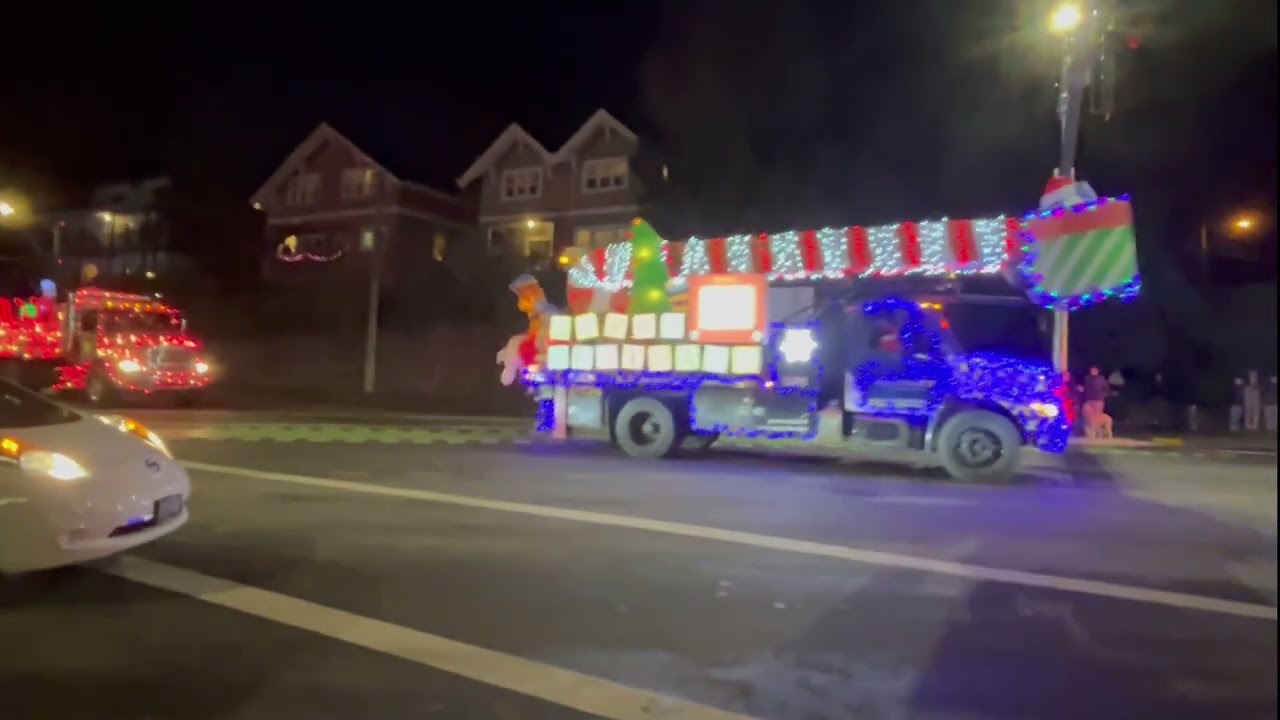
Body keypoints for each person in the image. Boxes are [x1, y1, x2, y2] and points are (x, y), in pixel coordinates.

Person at [1082, 366, 1113, 439]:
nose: (1093, 372)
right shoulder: (1087, 379)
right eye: (1091, 370)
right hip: (1089, 400)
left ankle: (1099, 434)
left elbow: (1106, 388)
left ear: (1097, 371)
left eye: (1094, 370)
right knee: (1087, 416)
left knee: (1098, 418)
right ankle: (1089, 433)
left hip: (1098, 400)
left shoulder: (1101, 379)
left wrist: (1103, 395)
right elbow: (1085, 388)